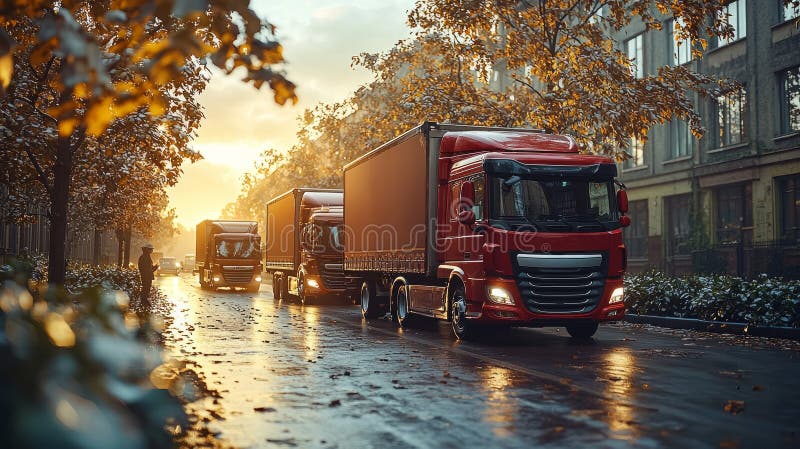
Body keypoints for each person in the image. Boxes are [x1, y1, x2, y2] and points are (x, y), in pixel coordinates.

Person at [138, 243, 159, 312]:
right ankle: (143, 302)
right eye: (151, 249)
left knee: (146, 288)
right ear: (147, 250)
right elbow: (147, 269)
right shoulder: (144, 257)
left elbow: (149, 269)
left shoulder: (146, 257)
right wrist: (155, 267)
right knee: (146, 288)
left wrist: (155, 267)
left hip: (147, 276)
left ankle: (144, 301)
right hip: (146, 276)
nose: (152, 251)